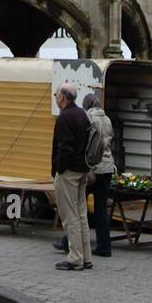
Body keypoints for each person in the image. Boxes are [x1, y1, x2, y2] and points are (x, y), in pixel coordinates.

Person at [55, 92, 116, 259]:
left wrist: (88, 168)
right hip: (108, 167)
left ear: (86, 104)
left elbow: (88, 145)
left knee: (76, 208)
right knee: (101, 209)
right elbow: (110, 139)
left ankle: (69, 242)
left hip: (93, 168)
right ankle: (104, 246)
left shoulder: (88, 118)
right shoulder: (107, 119)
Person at [51, 83, 91, 271]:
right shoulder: (82, 114)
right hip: (83, 169)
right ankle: (86, 256)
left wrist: (59, 168)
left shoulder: (65, 118)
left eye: (56, 94)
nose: (55, 97)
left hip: (69, 172)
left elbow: (65, 147)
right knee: (81, 215)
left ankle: (75, 257)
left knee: (70, 216)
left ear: (63, 97)